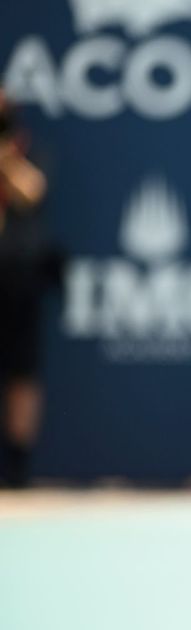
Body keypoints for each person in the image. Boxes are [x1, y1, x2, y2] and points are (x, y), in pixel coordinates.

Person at [0, 88, 48, 489]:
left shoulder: (22, 152)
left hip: (17, 282)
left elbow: (31, 191)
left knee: (22, 372)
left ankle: (16, 471)